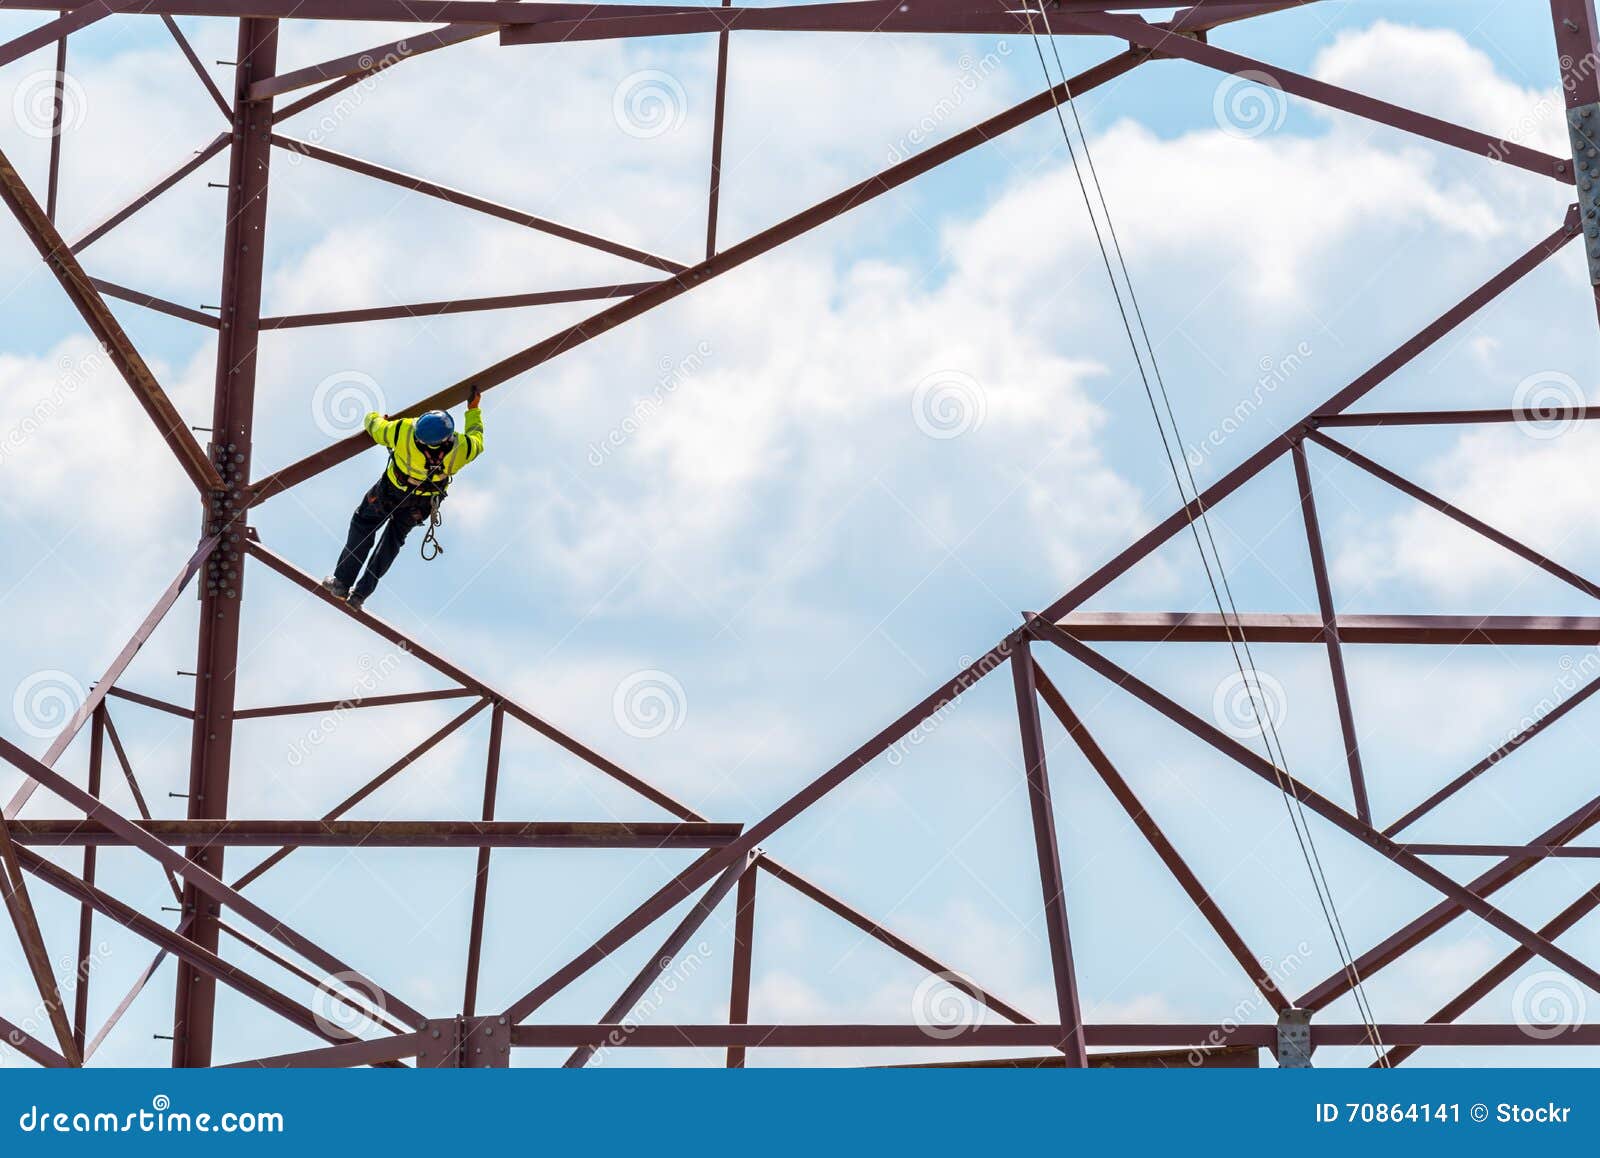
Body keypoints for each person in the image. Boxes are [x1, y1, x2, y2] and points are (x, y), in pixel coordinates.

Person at [323, 389, 485, 610]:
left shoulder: (404, 430)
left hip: (389, 493)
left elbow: (374, 426)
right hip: (421, 505)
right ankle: (360, 595)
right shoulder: (461, 448)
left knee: (364, 526)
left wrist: (376, 417)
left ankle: (342, 583)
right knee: (391, 542)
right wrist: (473, 410)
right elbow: (477, 439)